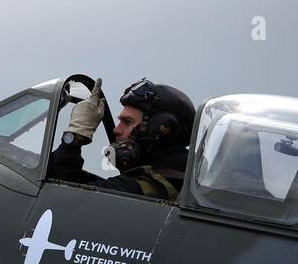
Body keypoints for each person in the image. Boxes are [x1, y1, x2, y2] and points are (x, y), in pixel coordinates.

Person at [48, 77, 196, 200]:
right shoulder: (189, 183)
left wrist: (73, 139)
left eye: (127, 122)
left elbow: (61, 198)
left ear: (161, 129)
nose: (116, 130)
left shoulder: (138, 190)